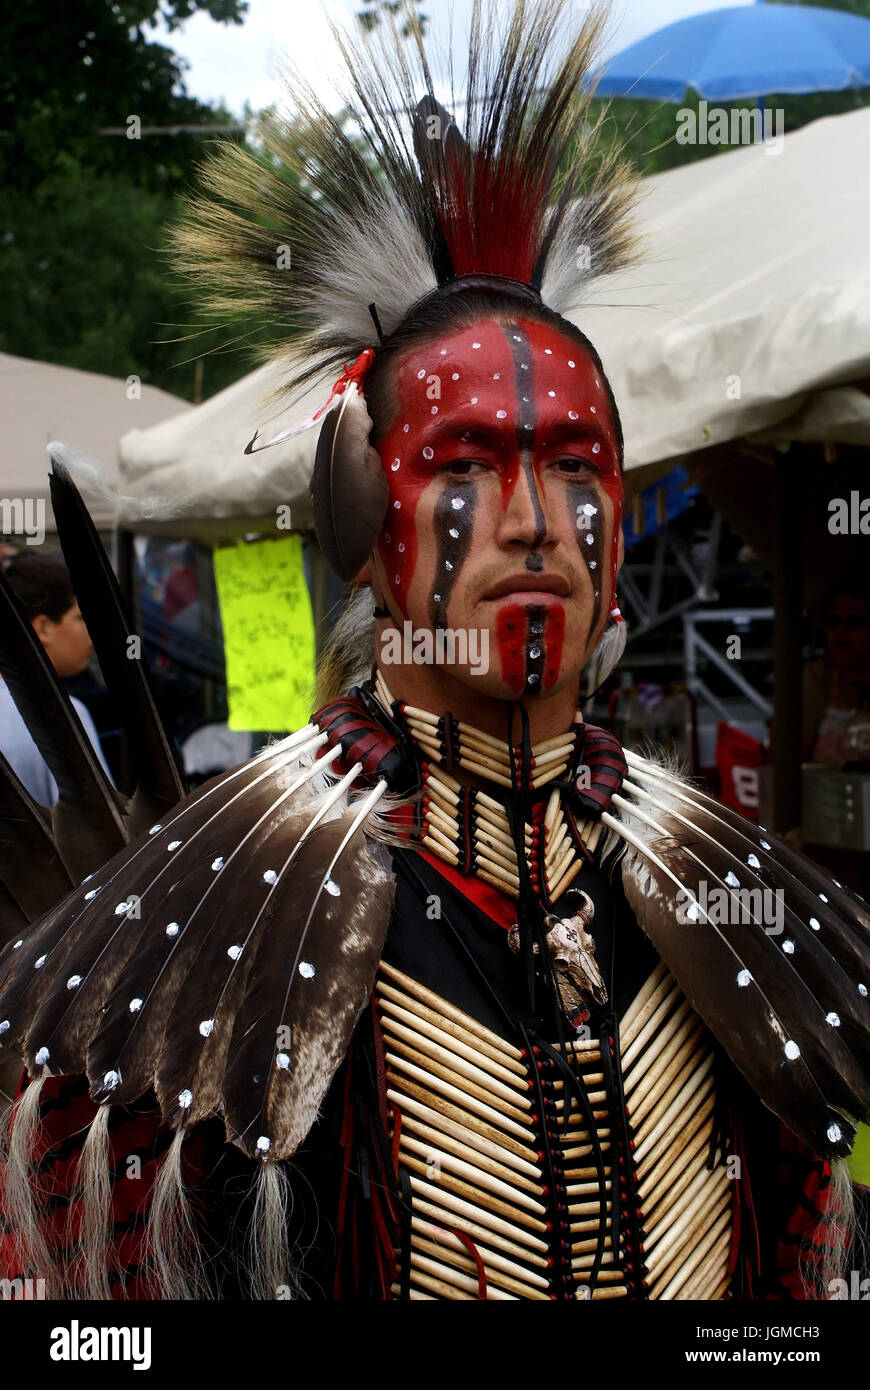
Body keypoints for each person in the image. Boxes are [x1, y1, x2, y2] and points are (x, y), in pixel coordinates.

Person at [0, 0, 868, 1303]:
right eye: (464, 468)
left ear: (619, 523)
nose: (531, 522)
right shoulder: (219, 924)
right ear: (363, 517)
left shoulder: (735, 899)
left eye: (572, 468)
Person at [0, 553, 112, 805]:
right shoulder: (62, 713)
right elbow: (99, 830)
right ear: (43, 628)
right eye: (80, 618)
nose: (91, 633)